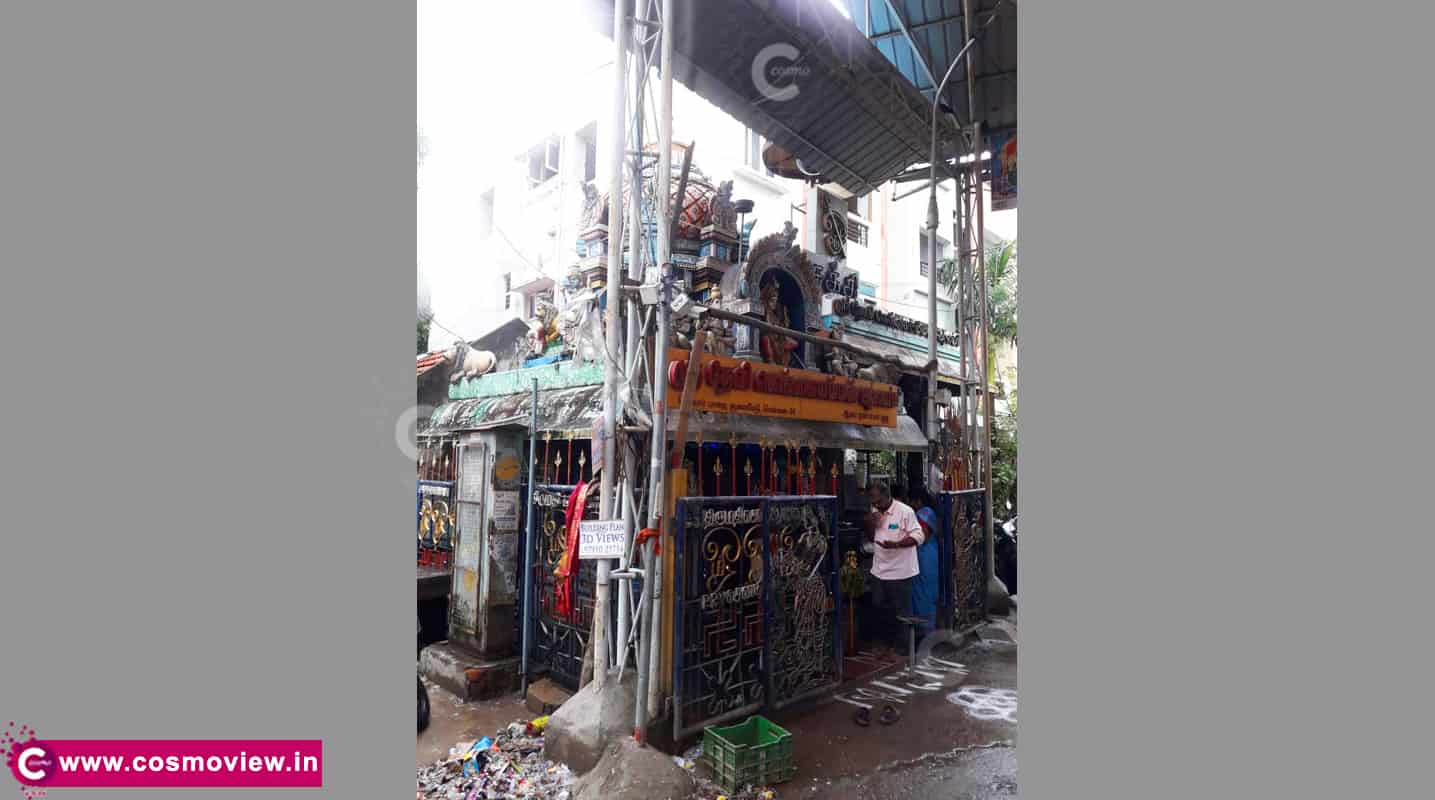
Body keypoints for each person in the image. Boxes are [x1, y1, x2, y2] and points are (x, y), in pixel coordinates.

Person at [862, 480, 925, 653]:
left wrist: (897, 545)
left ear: (887, 496)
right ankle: (885, 644)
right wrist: (870, 523)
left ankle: (904, 648)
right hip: (879, 570)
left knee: (901, 611)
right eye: (872, 502)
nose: (875, 505)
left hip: (901, 572)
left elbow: (918, 536)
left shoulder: (905, 511)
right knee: (879, 607)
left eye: (878, 501)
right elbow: (870, 537)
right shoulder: (874, 511)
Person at [908, 486, 940, 636]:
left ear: (918, 501)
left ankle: (926, 630)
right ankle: (925, 628)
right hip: (929, 554)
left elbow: (922, 536)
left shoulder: (924, 514)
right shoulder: (930, 512)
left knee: (924, 593)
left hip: (925, 556)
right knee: (926, 592)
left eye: (911, 501)